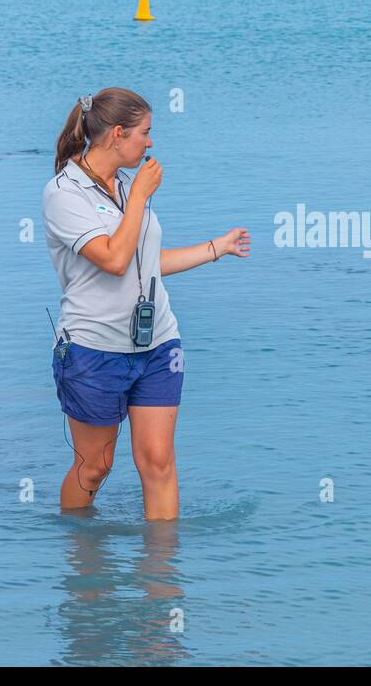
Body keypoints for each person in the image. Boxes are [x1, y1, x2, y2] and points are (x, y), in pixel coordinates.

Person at [42, 87, 250, 517]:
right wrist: (139, 196)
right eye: (145, 133)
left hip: (157, 345)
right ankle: (85, 570)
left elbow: (145, 262)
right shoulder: (65, 194)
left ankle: (162, 578)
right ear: (118, 134)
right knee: (95, 467)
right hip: (93, 349)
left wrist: (217, 247)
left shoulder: (122, 186)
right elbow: (115, 260)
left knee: (158, 462)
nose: (151, 143)